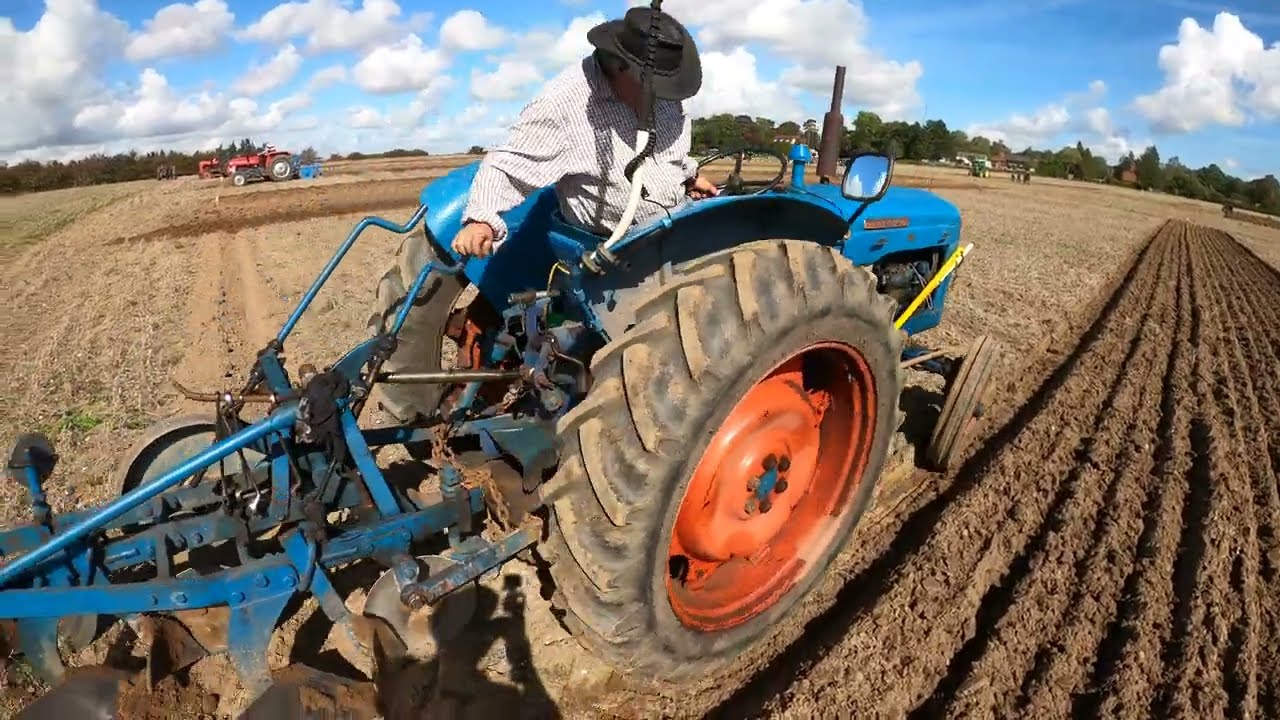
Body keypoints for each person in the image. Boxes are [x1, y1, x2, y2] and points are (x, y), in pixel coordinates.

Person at [452, 7, 719, 258]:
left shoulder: (666, 95)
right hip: (610, 252)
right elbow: (507, 166)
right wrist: (481, 221)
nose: (663, 98)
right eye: (655, 88)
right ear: (620, 66)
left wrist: (688, 178)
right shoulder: (563, 103)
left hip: (677, 229)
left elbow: (670, 150)